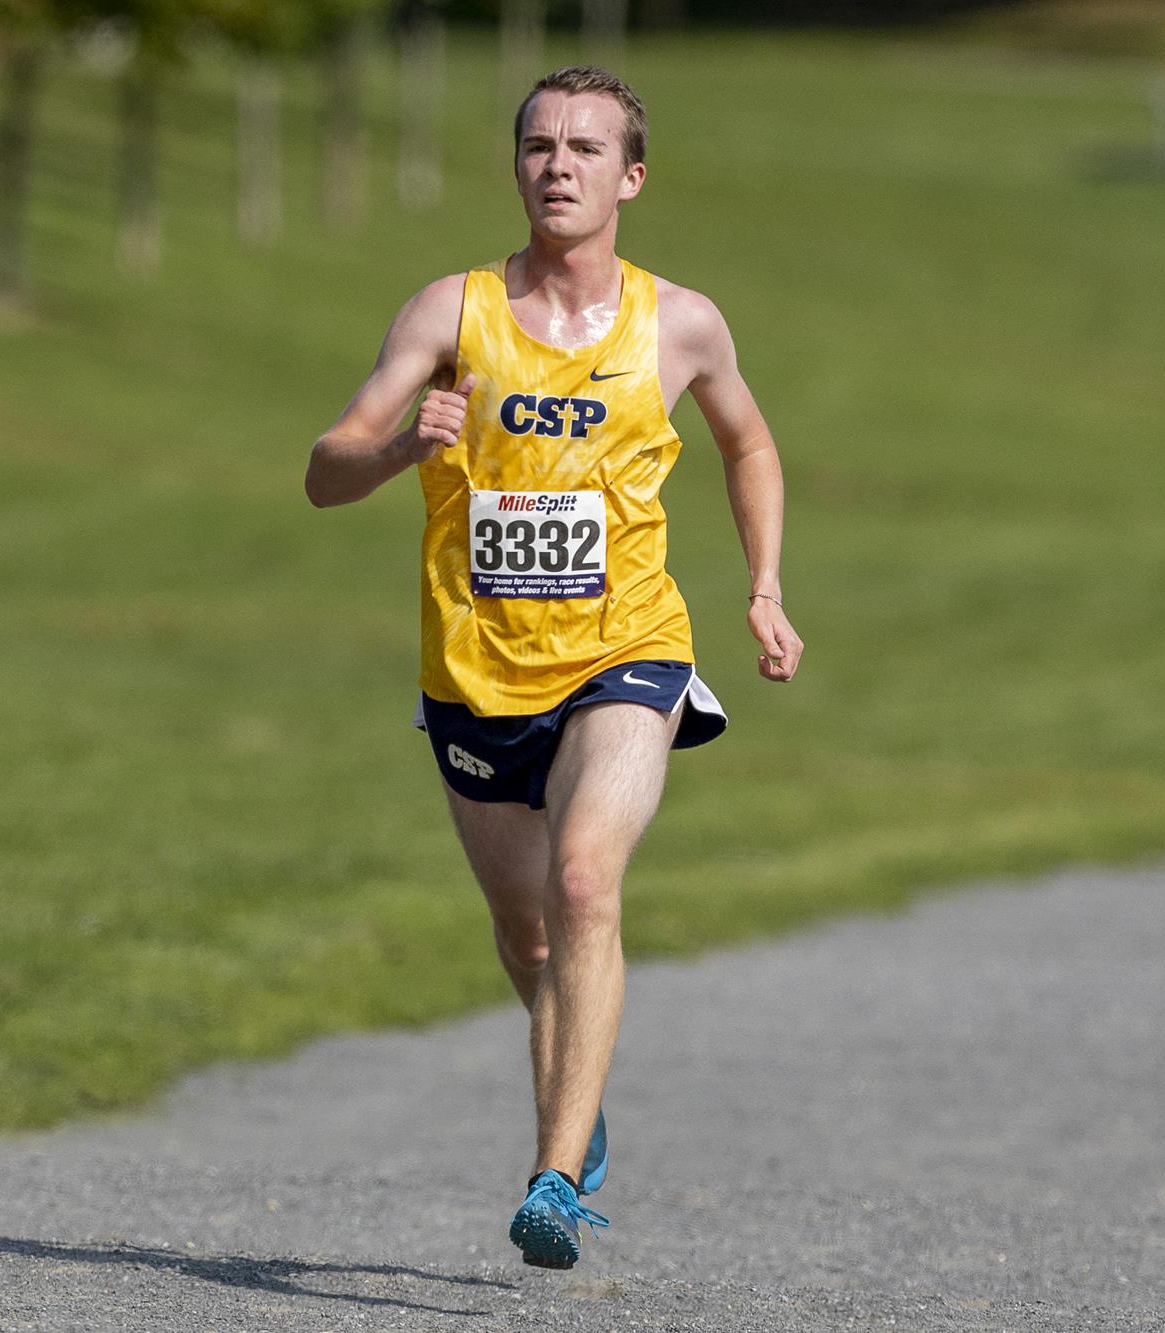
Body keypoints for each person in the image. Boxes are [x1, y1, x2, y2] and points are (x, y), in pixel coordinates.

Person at [304, 65, 801, 1270]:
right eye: (537, 145)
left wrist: (762, 584)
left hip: (627, 646)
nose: (557, 165)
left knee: (584, 885)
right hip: (474, 671)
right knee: (527, 937)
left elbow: (747, 439)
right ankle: (579, 1111)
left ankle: (552, 1177)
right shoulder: (448, 314)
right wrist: (391, 454)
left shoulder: (679, 322)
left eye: (584, 148)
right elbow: (325, 466)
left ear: (629, 176)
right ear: (515, 166)